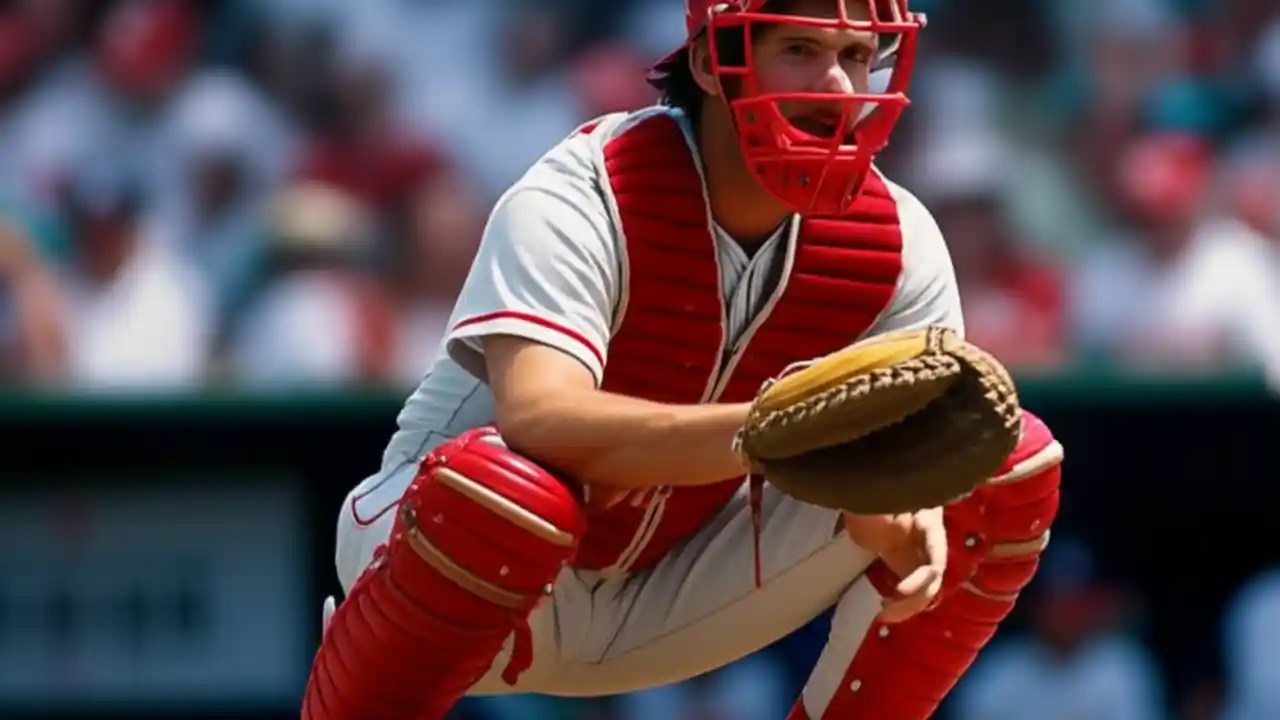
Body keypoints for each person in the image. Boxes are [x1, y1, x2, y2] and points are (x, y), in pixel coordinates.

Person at [300, 2, 1065, 719]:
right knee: (509, 494)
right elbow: (539, 417)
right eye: (800, 49)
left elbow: (910, 466)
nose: (836, 83)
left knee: (1004, 466)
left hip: (679, 591)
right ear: (712, 61)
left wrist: (895, 508)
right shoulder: (588, 187)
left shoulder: (899, 239)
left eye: (857, 54)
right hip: (459, 563)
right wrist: (767, 432)